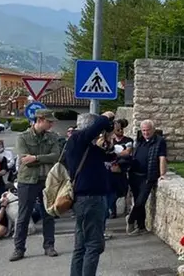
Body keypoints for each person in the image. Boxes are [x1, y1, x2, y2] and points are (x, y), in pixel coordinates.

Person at [66, 113, 115, 276]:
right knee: (94, 245)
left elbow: (108, 155)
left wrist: (108, 140)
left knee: (81, 245)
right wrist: (106, 116)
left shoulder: (84, 146)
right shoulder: (77, 139)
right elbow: (100, 123)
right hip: (90, 199)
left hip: (87, 199)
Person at [11, 109, 61, 262]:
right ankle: (19, 248)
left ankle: (49, 245)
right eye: (49, 121)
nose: (51, 124)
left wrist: (36, 158)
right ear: (40, 120)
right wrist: (39, 159)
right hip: (27, 180)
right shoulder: (23, 137)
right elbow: (24, 159)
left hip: (46, 180)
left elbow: (56, 156)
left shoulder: (52, 137)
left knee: (49, 214)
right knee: (23, 215)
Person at [126, 120, 167, 235]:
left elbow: (162, 158)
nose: (145, 132)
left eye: (147, 130)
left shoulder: (159, 141)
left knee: (140, 201)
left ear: (153, 129)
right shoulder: (139, 140)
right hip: (135, 175)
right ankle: (141, 226)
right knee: (140, 203)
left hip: (148, 176)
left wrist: (162, 174)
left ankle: (130, 219)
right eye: (143, 130)